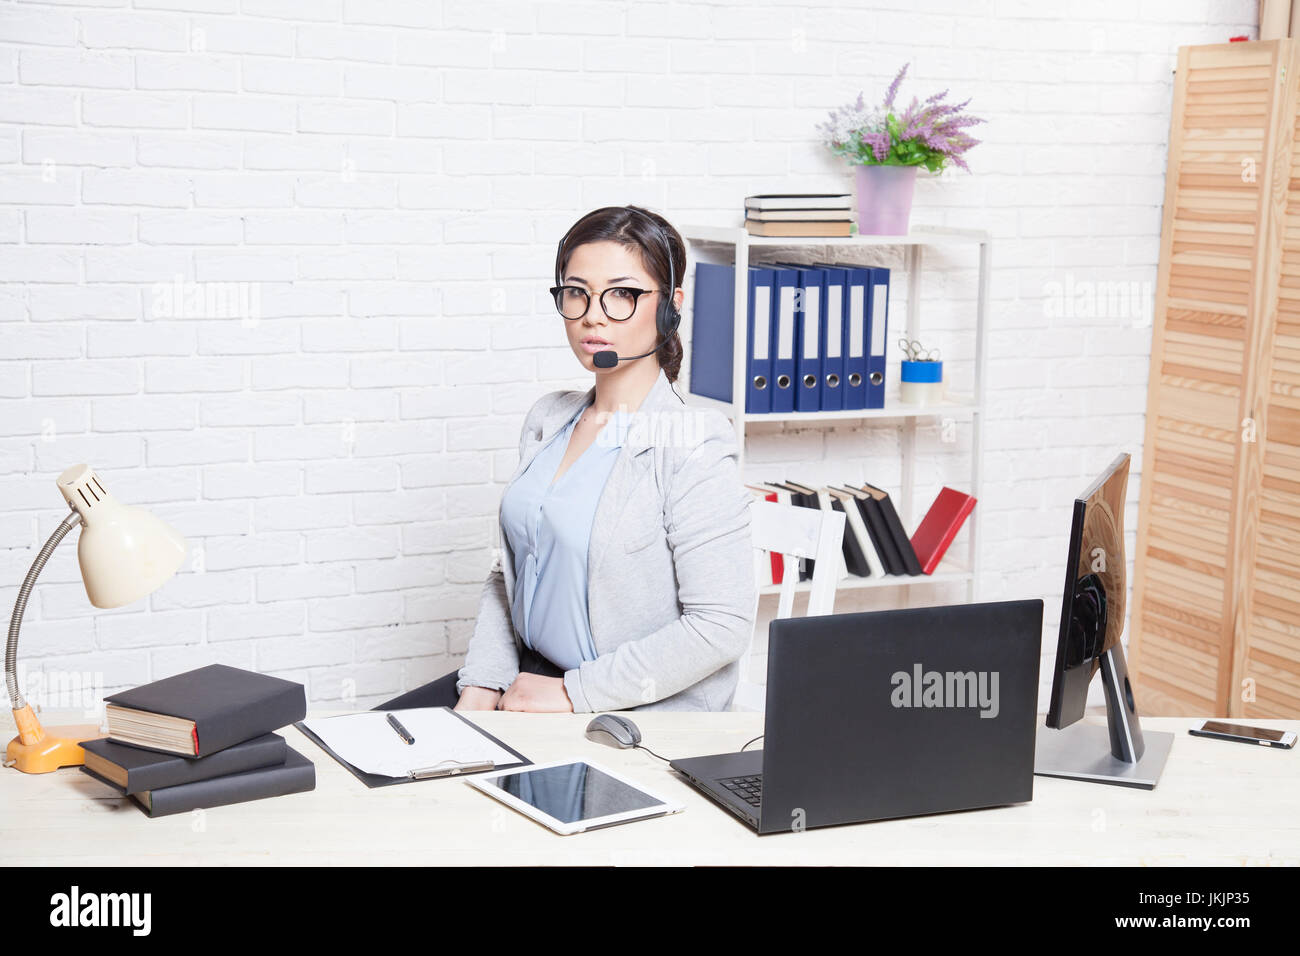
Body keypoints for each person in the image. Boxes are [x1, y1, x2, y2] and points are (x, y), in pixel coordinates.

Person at [376, 205, 756, 714]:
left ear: (671, 307)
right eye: (577, 292)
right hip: (528, 679)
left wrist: (573, 693)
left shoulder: (693, 443)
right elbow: (508, 570)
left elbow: (721, 625)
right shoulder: (548, 419)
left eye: (622, 294)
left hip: (627, 708)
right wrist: (483, 683)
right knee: (359, 752)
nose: (593, 315)